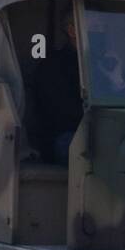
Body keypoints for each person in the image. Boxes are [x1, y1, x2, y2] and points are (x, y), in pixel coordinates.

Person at [26, 17, 83, 164]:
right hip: (62, 136)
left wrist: (117, 80)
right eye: (96, 25)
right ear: (72, 30)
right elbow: (61, 114)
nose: (100, 31)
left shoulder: (106, 61)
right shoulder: (53, 66)